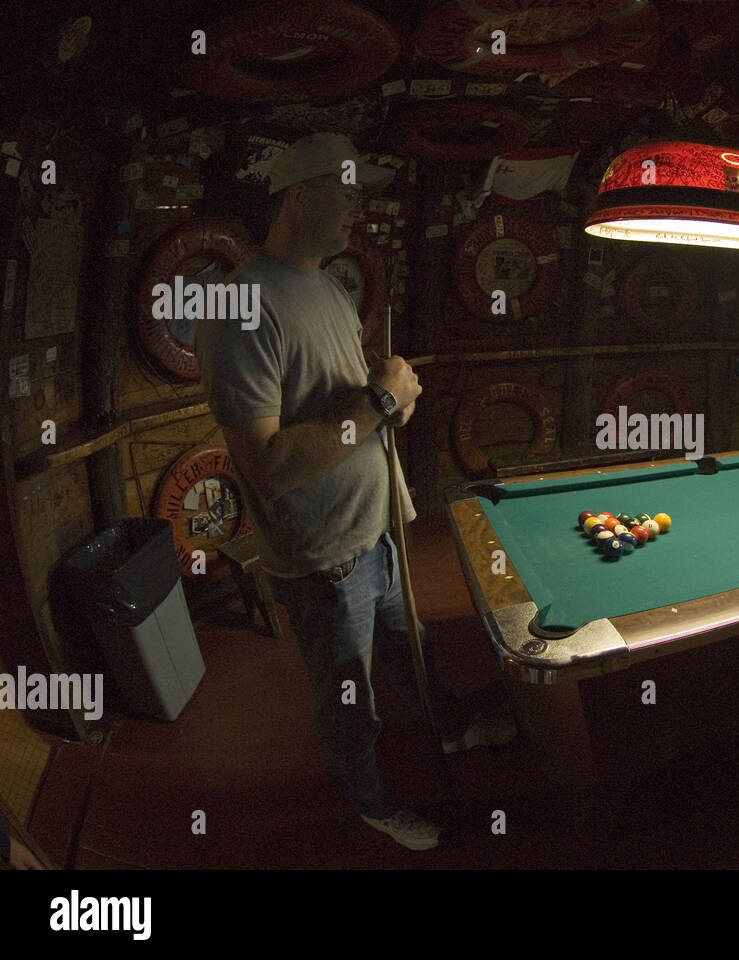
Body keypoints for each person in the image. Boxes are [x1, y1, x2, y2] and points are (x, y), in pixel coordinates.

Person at [195, 133, 513, 852]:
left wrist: (389, 389)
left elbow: (348, 396)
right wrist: (378, 400)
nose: (357, 210)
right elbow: (271, 464)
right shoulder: (240, 305)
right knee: (349, 700)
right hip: (326, 558)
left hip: (380, 534)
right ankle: (369, 801)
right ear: (299, 196)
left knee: (412, 652)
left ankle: (455, 732)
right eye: (345, 193)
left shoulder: (331, 287)